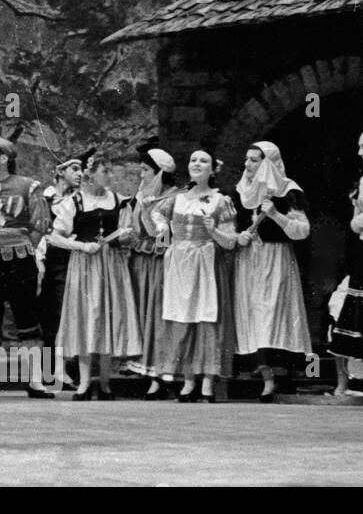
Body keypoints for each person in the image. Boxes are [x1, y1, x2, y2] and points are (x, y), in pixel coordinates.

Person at [48, 152, 142, 400]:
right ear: (91, 174)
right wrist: (81, 246)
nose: (110, 176)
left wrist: (125, 237)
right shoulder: (75, 202)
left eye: (111, 171)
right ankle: (84, 381)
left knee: (108, 318)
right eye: (105, 171)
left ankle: (105, 382)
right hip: (85, 266)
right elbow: (54, 236)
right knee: (86, 318)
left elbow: (128, 232)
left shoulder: (119, 201)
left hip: (111, 266)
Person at [148, 150, 237, 402]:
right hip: (179, 262)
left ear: (213, 170)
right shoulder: (176, 199)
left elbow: (230, 242)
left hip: (206, 262)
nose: (197, 164)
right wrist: (164, 234)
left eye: (203, 161)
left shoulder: (220, 201)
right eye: (193, 160)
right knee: (183, 317)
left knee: (206, 320)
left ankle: (207, 381)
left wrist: (214, 231)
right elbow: (156, 216)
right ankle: (188, 380)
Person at [228, 141, 313, 402]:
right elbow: (230, 227)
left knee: (274, 315)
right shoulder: (239, 192)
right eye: (247, 159)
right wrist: (236, 237)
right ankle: (264, 374)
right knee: (253, 315)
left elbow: (302, 231)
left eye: (254, 160)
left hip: (276, 260)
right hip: (249, 261)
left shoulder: (288, 190)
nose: (248, 165)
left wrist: (275, 214)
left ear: (267, 163)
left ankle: (277, 374)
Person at [0, 134, 54, 398]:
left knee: (27, 317)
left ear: (4, 158)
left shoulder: (28, 186)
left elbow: (39, 225)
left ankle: (35, 380)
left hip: (20, 259)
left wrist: (20, 246)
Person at [124, 140, 182, 399]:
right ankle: (144, 371)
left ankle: (159, 375)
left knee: (157, 316)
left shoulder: (174, 198)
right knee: (142, 315)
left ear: (159, 172)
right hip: (140, 263)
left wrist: (149, 215)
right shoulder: (141, 196)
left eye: (146, 170)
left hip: (160, 263)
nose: (141, 175)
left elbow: (166, 237)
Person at [36, 150, 92, 355]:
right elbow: (41, 231)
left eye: (82, 170)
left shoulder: (80, 200)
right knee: (54, 312)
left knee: (75, 312)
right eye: (74, 169)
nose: (79, 174)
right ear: (60, 172)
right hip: (52, 261)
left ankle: (71, 365)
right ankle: (51, 369)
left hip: (75, 259)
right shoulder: (46, 199)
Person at [327, 130, 363, 394]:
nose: (360, 152)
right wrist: (356, 221)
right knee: (343, 304)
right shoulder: (362, 181)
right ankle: (349, 381)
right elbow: (356, 220)